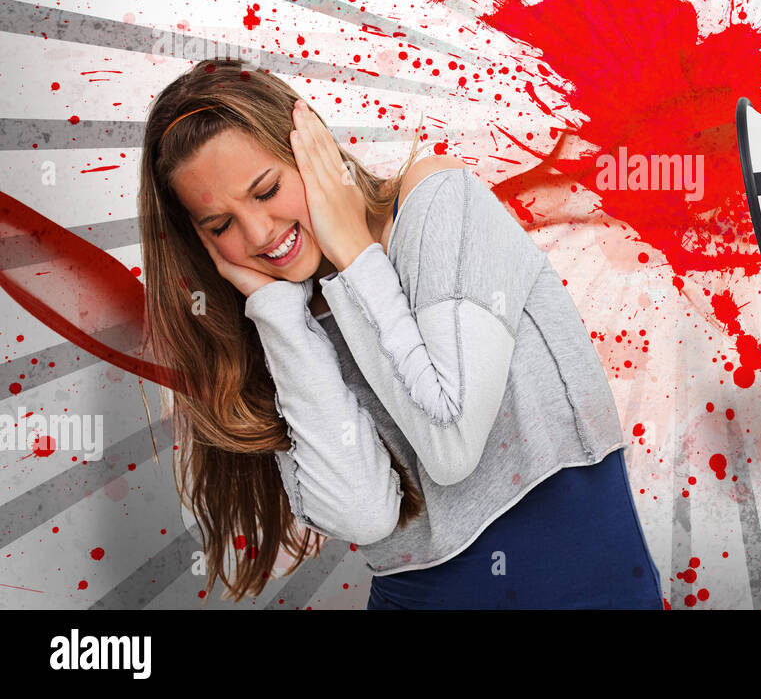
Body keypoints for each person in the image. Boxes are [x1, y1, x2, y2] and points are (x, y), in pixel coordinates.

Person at [139, 58, 663, 608]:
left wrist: (355, 256)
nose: (258, 233)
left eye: (266, 191)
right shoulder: (275, 318)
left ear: (308, 152)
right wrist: (278, 317)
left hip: (585, 585)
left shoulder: (435, 203)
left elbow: (451, 441)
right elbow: (364, 513)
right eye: (219, 225)